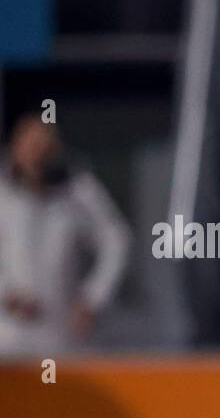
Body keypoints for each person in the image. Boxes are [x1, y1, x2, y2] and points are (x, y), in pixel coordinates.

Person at [0, 115, 129, 354]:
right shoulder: (3, 195)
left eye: (44, 148)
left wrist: (93, 298)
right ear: (15, 149)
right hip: (7, 333)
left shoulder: (78, 192)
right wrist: (6, 293)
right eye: (30, 147)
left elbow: (116, 239)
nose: (37, 156)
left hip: (61, 330)